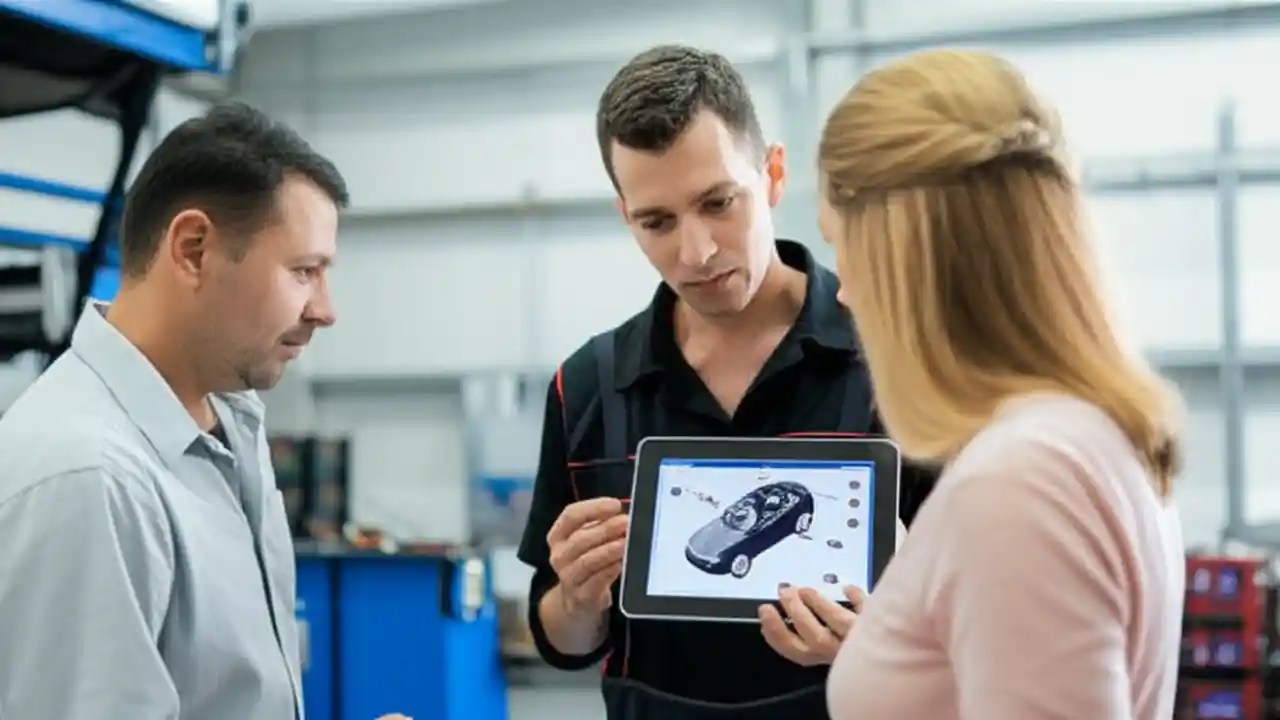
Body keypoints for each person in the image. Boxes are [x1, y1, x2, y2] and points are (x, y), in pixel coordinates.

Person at [516, 45, 939, 720]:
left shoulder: (903, 361)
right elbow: (561, 641)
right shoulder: (588, 385)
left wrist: (889, 642)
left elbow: (980, 631)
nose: (696, 253)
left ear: (772, 174)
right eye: (657, 222)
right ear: (626, 215)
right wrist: (574, 599)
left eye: (719, 203)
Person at [817, 49, 1186, 719]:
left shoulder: (1018, 481)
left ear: (904, 257)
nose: (841, 290)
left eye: (840, 243)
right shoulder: (1074, 440)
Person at [0, 102, 347, 719]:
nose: (325, 309)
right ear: (192, 249)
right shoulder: (92, 479)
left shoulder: (230, 428)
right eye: (303, 272)